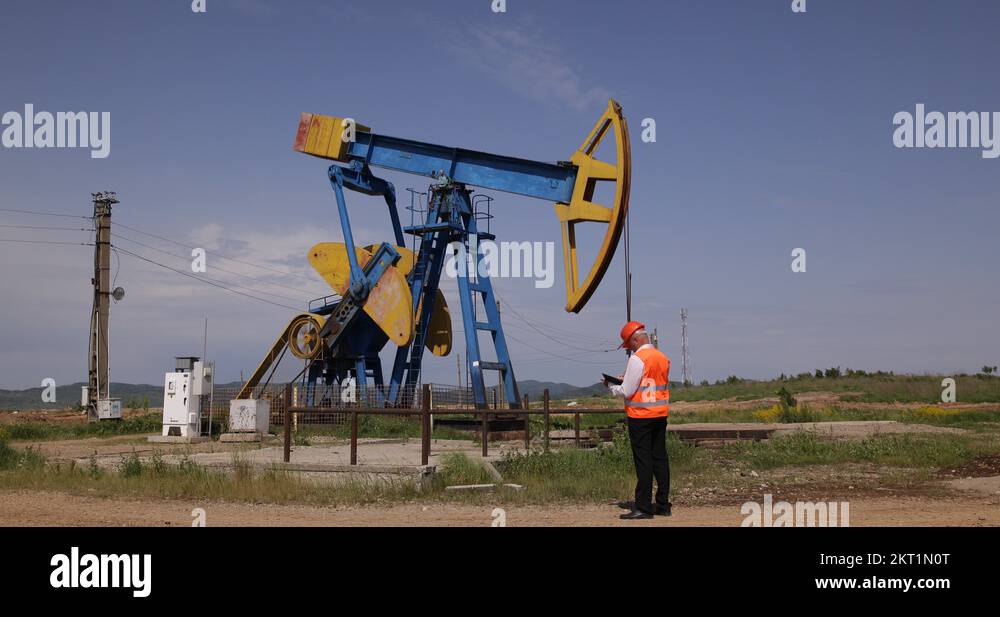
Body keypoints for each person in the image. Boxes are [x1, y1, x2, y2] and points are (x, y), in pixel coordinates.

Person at [603, 321, 672, 520]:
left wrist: (610, 385)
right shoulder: (662, 357)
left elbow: (627, 390)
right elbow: (651, 382)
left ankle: (643, 507)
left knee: (643, 461)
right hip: (660, 414)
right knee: (660, 458)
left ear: (635, 339)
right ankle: (663, 505)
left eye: (628, 344)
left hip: (640, 416)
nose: (629, 348)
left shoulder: (637, 358)